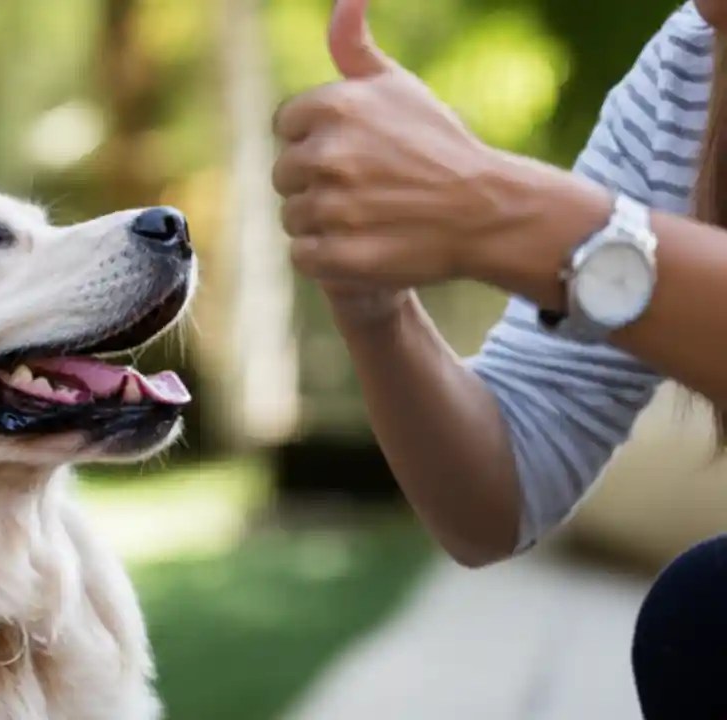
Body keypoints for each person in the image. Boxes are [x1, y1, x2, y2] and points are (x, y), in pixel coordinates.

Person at [271, 0, 727, 715]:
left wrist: (503, 212)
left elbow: (518, 219)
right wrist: (375, 304)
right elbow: (499, 497)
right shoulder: (689, 71)